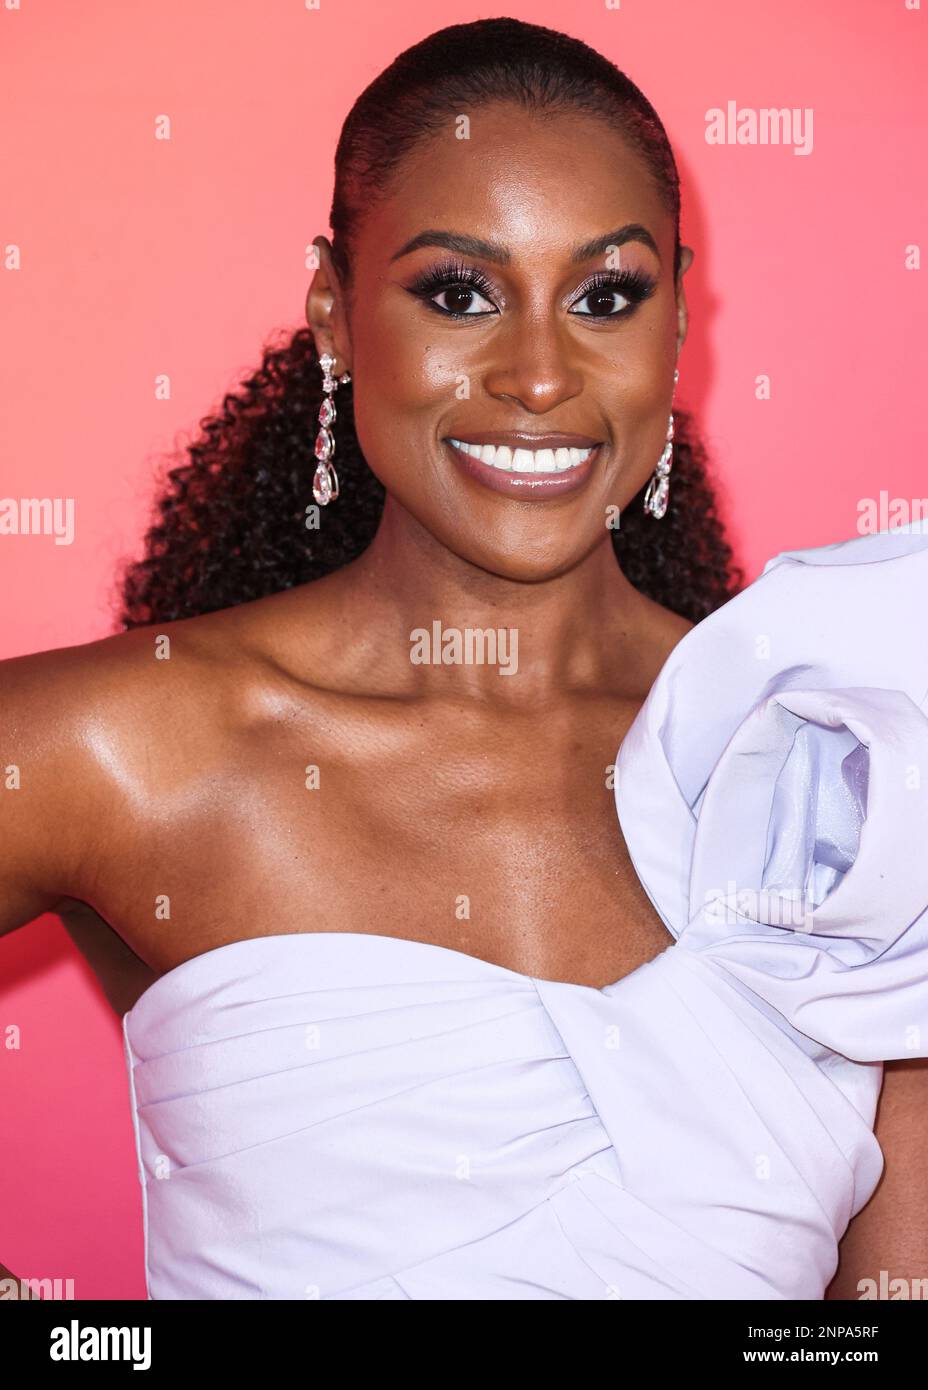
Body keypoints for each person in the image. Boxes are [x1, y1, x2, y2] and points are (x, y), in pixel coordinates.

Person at [2, 18, 926, 1301]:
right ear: (332, 312)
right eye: (457, 292)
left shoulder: (846, 766)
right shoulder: (111, 747)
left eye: (606, 296)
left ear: (677, 322)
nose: (539, 374)